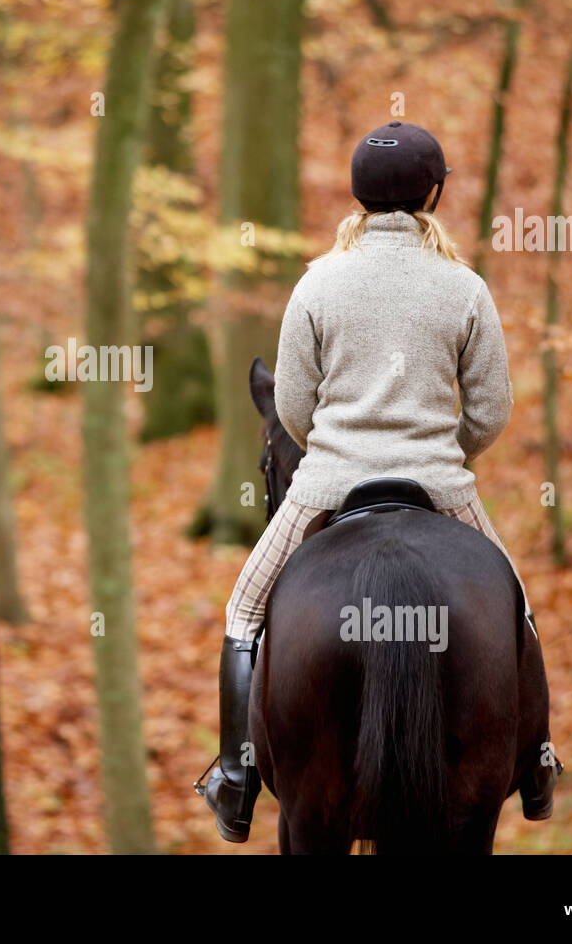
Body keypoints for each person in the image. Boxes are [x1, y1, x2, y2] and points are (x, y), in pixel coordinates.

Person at [199, 121, 541, 843]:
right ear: (432, 193)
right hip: (441, 483)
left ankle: (234, 778)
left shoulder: (318, 282)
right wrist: (448, 453)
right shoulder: (465, 287)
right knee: (516, 606)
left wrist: (335, 444)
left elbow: (292, 406)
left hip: (327, 480)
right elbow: (490, 410)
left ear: (358, 194)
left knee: (244, 608)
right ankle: (537, 761)